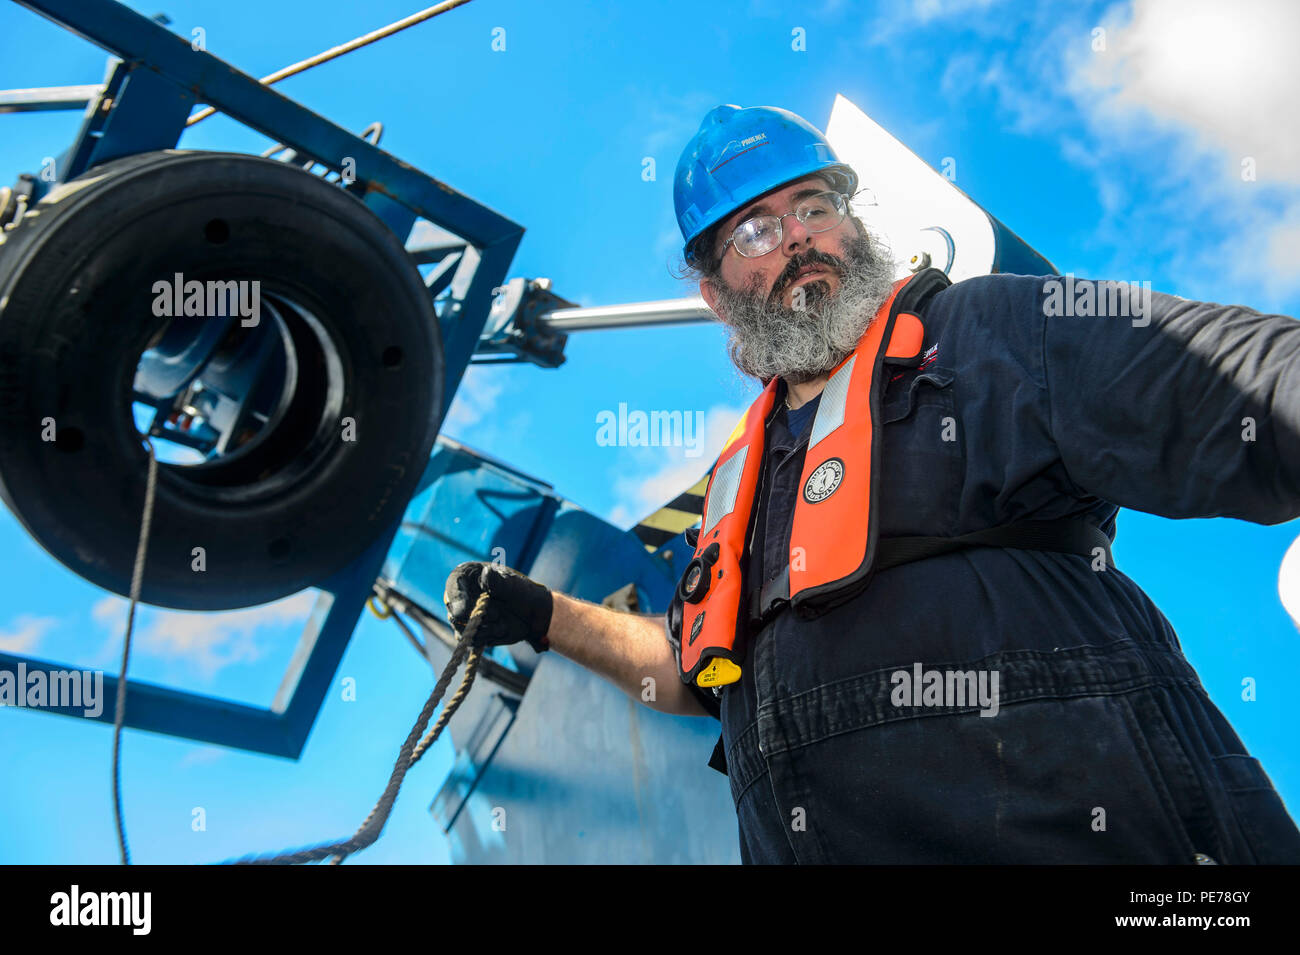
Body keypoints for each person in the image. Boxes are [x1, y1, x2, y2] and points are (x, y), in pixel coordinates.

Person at [444, 104, 1300, 864]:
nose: (797, 239)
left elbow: (1228, 378)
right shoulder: (735, 490)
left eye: (813, 206)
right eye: (754, 231)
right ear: (714, 292)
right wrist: (547, 616)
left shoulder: (978, 335)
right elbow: (692, 670)